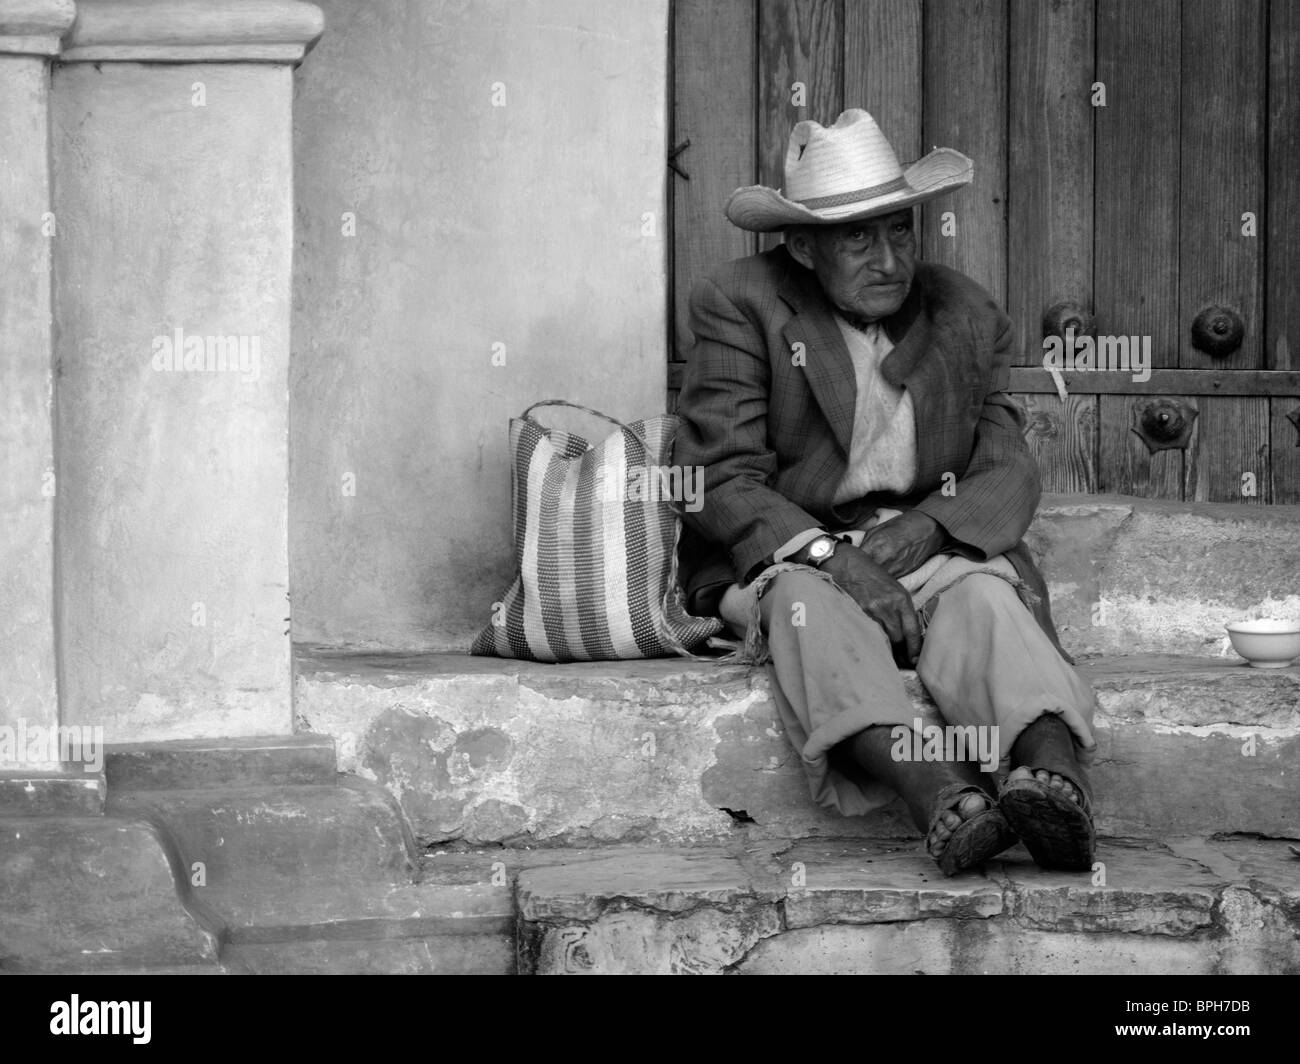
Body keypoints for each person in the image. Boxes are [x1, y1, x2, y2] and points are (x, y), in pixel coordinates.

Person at [673, 108, 1099, 875]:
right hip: (791, 544)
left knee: (986, 601)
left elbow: (1007, 463)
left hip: (923, 534)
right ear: (803, 246)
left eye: (899, 231)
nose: (889, 259)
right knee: (811, 615)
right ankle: (941, 796)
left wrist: (933, 527)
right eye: (857, 238)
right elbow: (718, 478)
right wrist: (837, 556)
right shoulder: (742, 303)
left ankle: (1051, 779)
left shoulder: (962, 309)